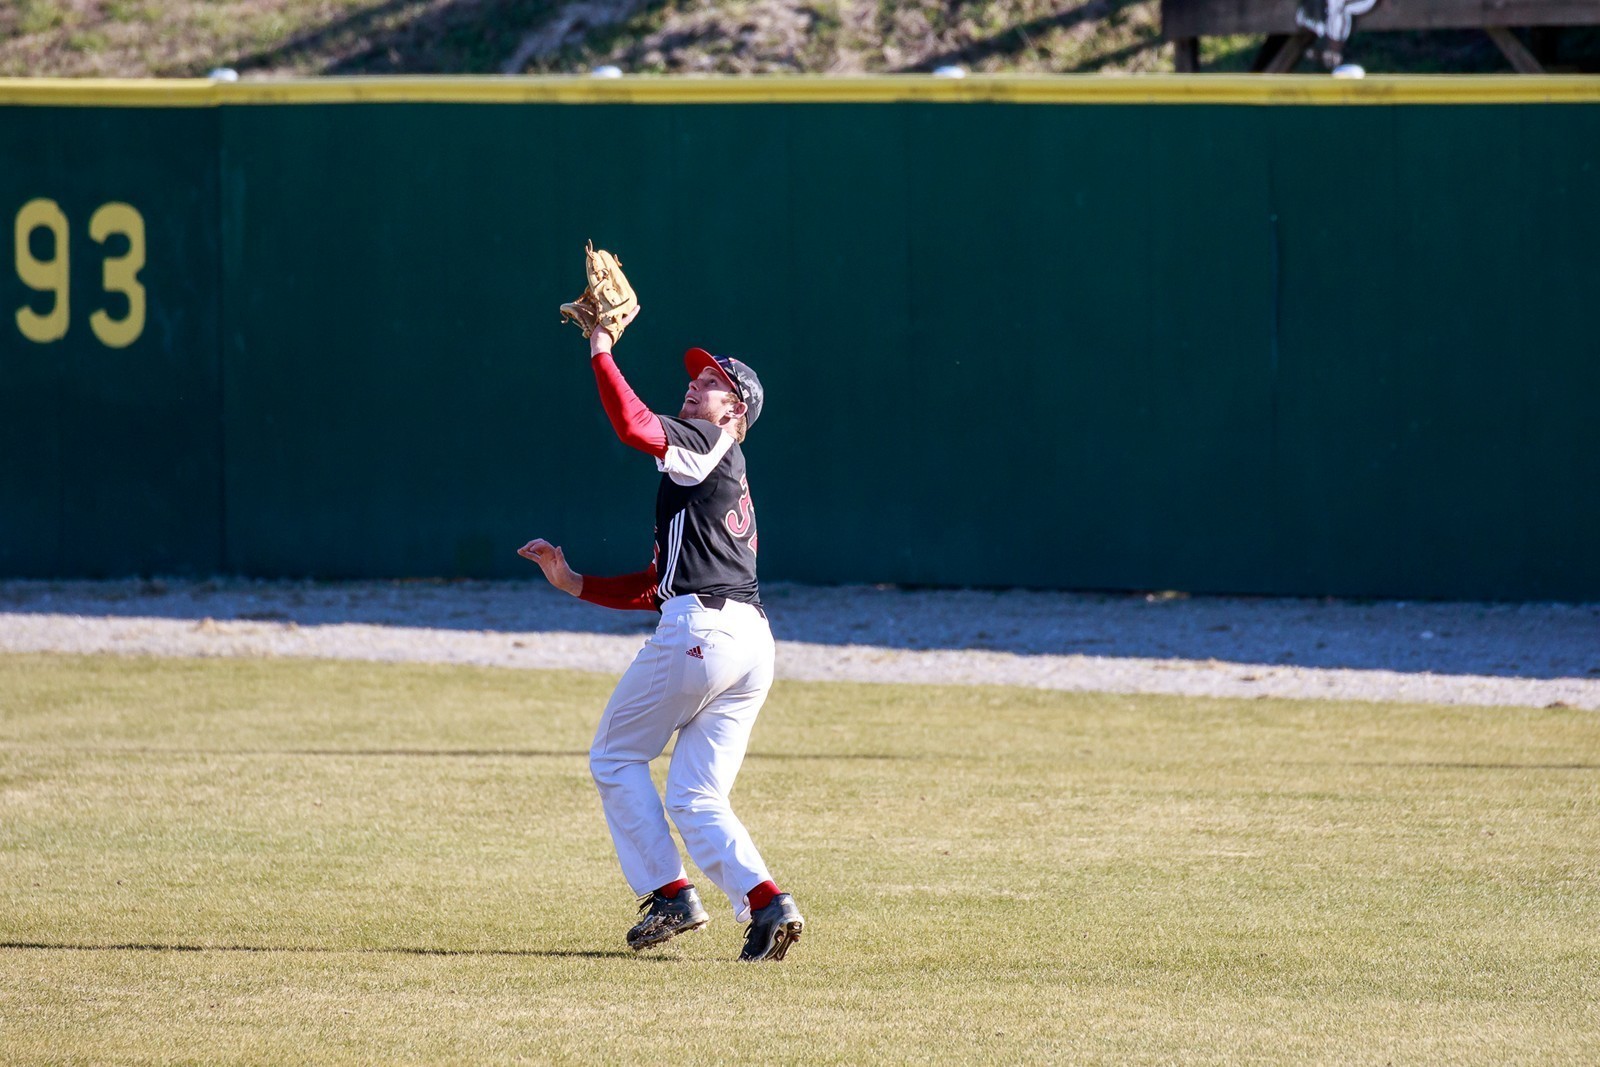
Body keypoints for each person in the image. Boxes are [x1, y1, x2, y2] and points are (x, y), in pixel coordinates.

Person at [518, 308, 803, 963]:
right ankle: (767, 904)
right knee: (696, 794)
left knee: (615, 757)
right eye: (695, 379)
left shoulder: (707, 441)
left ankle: (672, 894)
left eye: (711, 382)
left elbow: (634, 425)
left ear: (735, 410)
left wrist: (601, 348)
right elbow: (658, 584)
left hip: (704, 631)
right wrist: (576, 583)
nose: (694, 386)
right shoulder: (714, 474)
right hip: (750, 643)